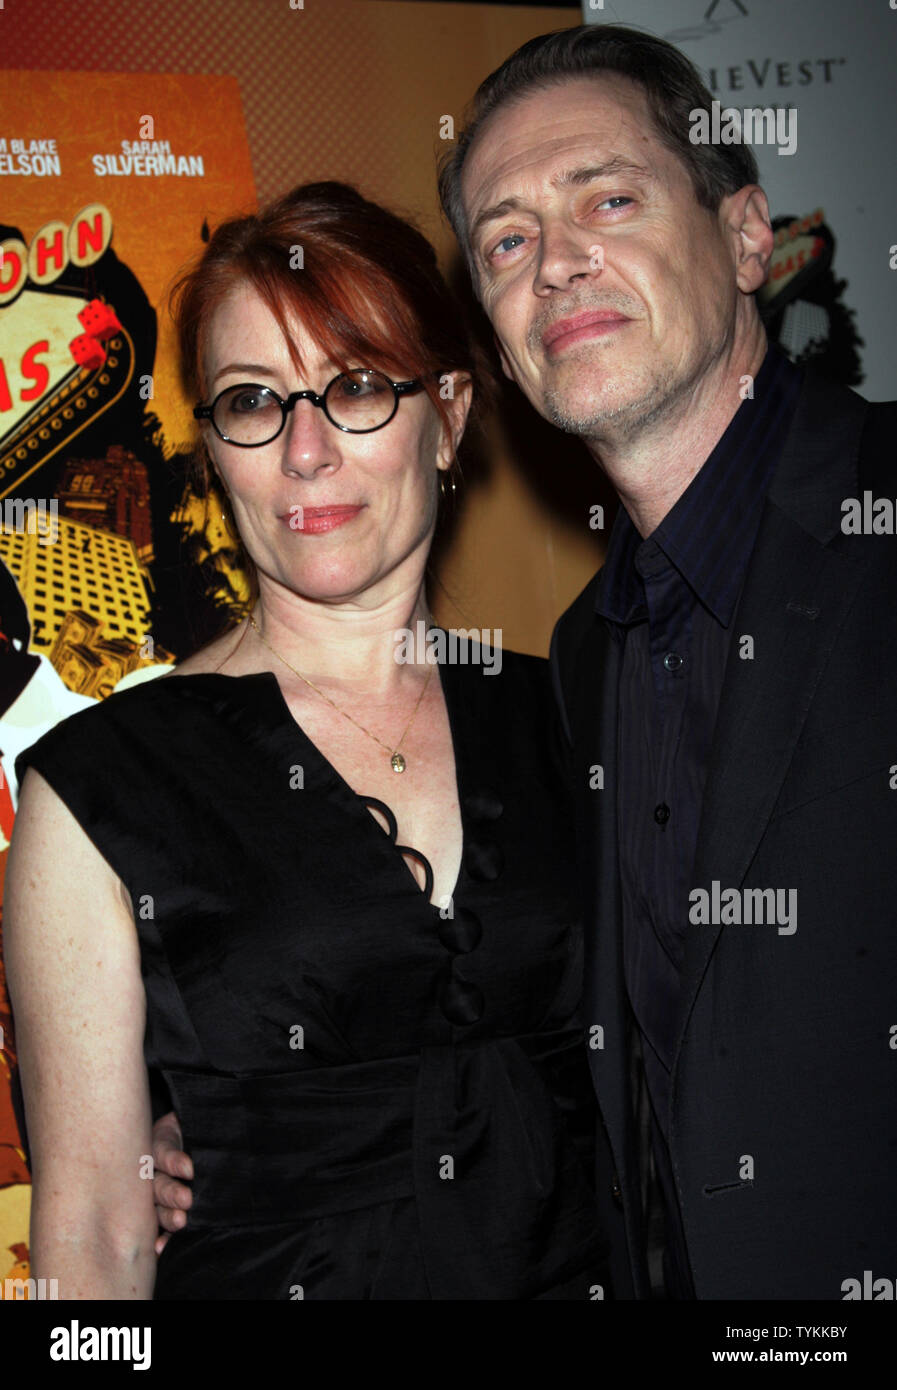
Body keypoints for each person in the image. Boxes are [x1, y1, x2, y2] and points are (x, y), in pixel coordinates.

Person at [4, 181, 611, 1300]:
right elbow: (91, 1241)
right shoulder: (98, 792)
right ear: (215, 451)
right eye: (252, 401)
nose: (306, 450)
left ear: (453, 417)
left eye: (358, 387)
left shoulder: (585, 711)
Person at [432, 23, 895, 1299]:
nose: (557, 264)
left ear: (748, 236)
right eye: (508, 242)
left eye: (610, 199)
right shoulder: (586, 651)